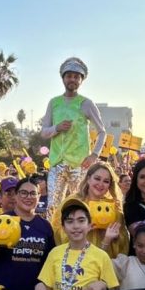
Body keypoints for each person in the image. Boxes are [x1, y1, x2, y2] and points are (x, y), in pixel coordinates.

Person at [40, 57, 110, 215]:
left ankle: (82, 239)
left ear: (81, 80)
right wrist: (56, 128)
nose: (72, 79)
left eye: (76, 77)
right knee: (53, 207)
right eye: (69, 76)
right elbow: (44, 132)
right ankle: (55, 239)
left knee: (81, 206)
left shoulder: (86, 103)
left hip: (80, 164)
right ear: (63, 78)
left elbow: (102, 131)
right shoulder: (54, 103)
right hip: (56, 163)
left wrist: (94, 155)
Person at [52, 163, 129, 258]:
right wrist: (80, 229)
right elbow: (57, 229)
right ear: (88, 179)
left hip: (105, 261)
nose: (100, 184)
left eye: (106, 181)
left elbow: (124, 240)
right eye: (97, 178)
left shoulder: (114, 207)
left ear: (110, 185)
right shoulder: (73, 202)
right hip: (75, 258)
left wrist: (114, 236)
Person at [111, 223, 145, 290]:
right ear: (134, 243)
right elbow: (101, 267)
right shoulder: (125, 263)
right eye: (140, 246)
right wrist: (106, 240)